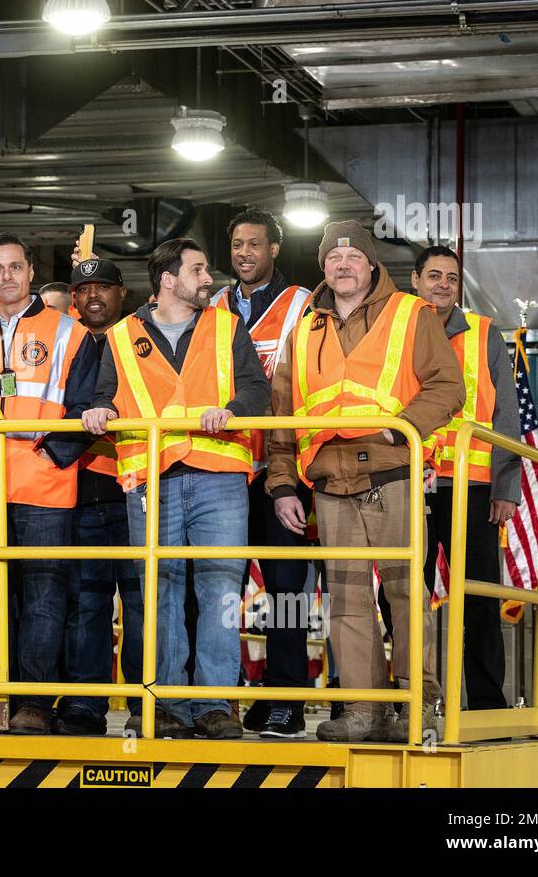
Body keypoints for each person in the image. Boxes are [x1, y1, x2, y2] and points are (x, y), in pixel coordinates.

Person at [267, 220, 464, 743]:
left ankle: (415, 705)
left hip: (391, 470)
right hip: (329, 481)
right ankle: (363, 710)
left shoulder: (411, 315)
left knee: (404, 595)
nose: (343, 265)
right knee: (349, 599)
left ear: (372, 264)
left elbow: (448, 387)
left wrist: (400, 430)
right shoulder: (303, 329)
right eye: (334, 259)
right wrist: (283, 484)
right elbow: (282, 413)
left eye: (353, 259)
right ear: (324, 268)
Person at [84, 238, 269, 739]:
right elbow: (105, 400)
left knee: (221, 592)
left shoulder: (228, 328)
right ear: (168, 279)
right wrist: (99, 412)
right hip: (152, 480)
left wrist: (233, 411)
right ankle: (167, 707)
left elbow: (257, 390)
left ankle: (213, 707)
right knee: (160, 595)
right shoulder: (121, 337)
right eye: (198, 270)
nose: (208, 278)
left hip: (219, 475)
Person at [0, 232, 98, 735]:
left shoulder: (69, 333)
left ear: (31, 272)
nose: (6, 276)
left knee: (44, 595)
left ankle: (33, 703)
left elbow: (87, 404)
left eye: (15, 266)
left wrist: (54, 456)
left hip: (45, 486)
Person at [210, 209, 314, 738]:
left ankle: (287, 699)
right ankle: (221, 699)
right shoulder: (211, 307)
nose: (245, 253)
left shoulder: (303, 305)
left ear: (275, 248)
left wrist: (290, 474)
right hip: (222, 469)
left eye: (255, 243)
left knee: (287, 589)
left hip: (280, 471)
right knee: (219, 589)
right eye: (236, 244)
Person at [411, 245, 519, 712]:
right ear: (415, 280)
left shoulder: (485, 334)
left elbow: (506, 416)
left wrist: (505, 488)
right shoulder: (396, 330)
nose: (442, 284)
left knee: (478, 601)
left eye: (451, 277)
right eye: (433, 275)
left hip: (473, 490)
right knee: (404, 595)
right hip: (410, 483)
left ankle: (488, 705)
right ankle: (414, 696)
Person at [56, 256, 143, 736]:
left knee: (140, 604)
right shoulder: (64, 343)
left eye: (104, 287)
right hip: (81, 490)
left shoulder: (141, 340)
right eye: (84, 288)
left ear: (121, 293)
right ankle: (84, 707)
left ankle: (141, 705)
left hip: (135, 488)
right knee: (86, 604)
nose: (93, 296)